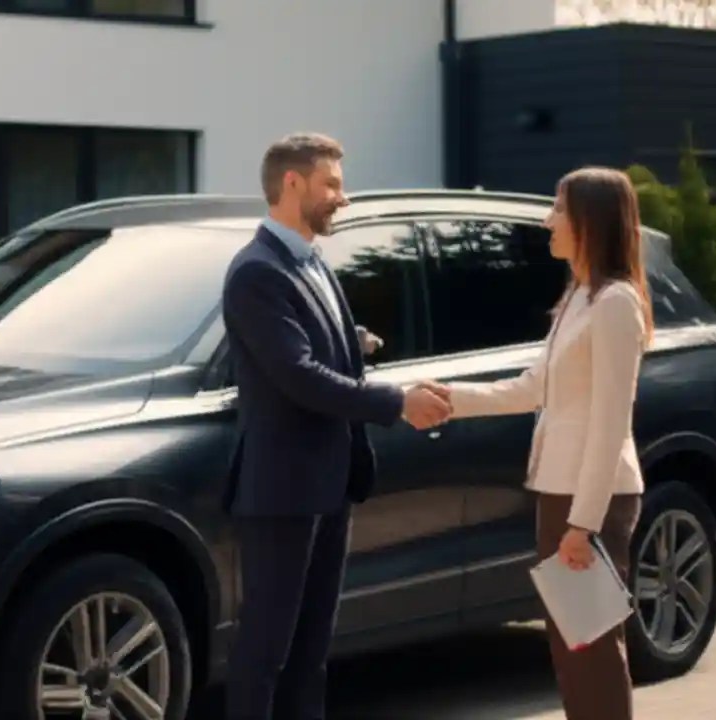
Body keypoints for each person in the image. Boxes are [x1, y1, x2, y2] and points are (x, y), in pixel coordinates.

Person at [220, 132, 451, 720]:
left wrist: (353, 342)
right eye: (332, 185)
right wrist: (396, 403)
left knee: (311, 655)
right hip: (283, 492)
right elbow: (297, 375)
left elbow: (313, 348)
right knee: (266, 651)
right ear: (292, 183)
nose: (342, 198)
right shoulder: (255, 272)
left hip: (329, 485)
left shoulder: (310, 259)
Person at [428, 166, 653, 720]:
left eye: (558, 209)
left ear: (589, 221)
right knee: (573, 652)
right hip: (559, 492)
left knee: (593, 651)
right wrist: (449, 398)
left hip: (590, 501)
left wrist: (583, 524)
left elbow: (610, 421)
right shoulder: (579, 297)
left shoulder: (615, 303)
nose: (549, 220)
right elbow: (533, 388)